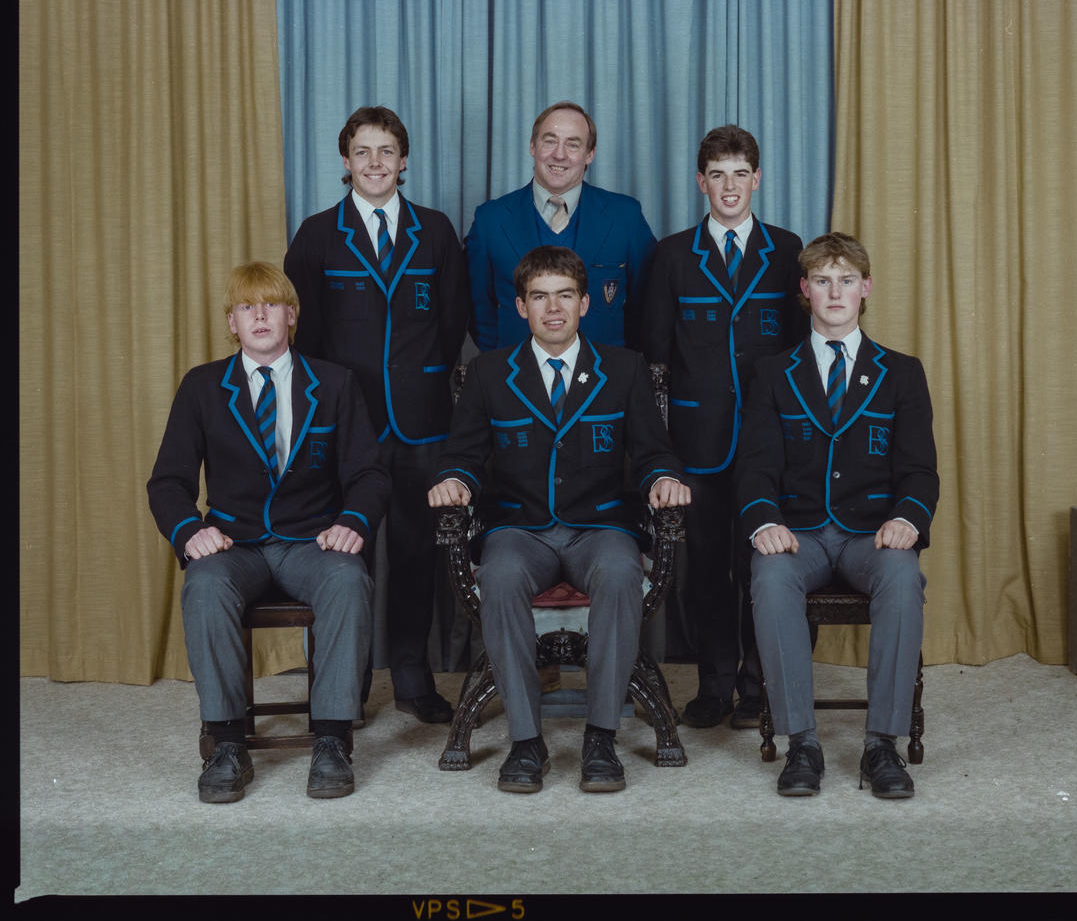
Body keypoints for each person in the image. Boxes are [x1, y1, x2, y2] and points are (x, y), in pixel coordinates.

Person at [428, 246, 691, 794]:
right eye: (540, 297)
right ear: (521, 306)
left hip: (600, 528)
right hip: (519, 530)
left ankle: (600, 737)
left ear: (585, 303)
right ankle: (526, 741)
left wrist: (663, 478)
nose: (553, 309)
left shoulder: (623, 368)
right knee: (498, 578)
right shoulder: (488, 373)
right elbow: (463, 455)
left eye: (565, 296)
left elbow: (653, 452)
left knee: (621, 574)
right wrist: (455, 480)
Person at [147, 262, 390, 802]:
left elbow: (369, 474)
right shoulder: (202, 387)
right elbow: (167, 482)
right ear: (231, 322)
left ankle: (332, 739)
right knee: (205, 584)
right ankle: (228, 742)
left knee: (349, 579)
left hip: (311, 542)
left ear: (292, 315)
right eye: (246, 307)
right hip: (236, 544)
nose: (260, 315)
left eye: (272, 304)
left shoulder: (334, 382)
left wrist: (352, 522)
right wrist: (191, 532)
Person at [734, 232, 938, 798]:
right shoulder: (774, 373)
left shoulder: (902, 372)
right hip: (797, 533)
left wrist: (908, 519)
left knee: (901, 576)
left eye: (846, 280)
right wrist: (764, 522)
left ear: (865, 288)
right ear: (804, 290)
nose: (835, 292)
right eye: (822, 281)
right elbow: (754, 468)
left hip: (870, 533)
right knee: (770, 578)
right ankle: (802, 743)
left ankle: (882, 745)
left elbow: (920, 471)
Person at [285, 106, 469, 724]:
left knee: (418, 553)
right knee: (345, 555)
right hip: (346, 426)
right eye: (362, 152)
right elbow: (301, 337)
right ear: (345, 161)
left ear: (404, 160)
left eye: (386, 151)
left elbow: (452, 326)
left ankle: (414, 677)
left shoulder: (436, 232)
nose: (375, 164)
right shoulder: (316, 234)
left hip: (422, 423)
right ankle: (348, 681)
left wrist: (416, 380)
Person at [642, 125, 804, 730]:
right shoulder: (672, 255)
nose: (729, 186)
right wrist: (662, 450)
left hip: (772, 446)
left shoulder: (788, 252)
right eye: (718, 174)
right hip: (699, 444)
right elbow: (654, 358)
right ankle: (714, 685)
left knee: (766, 564)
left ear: (756, 179)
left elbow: (803, 352)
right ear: (700, 182)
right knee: (707, 569)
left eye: (741, 173)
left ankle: (760, 684)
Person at [463, 100, 656, 353]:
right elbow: (477, 310)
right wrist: (503, 361)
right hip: (516, 379)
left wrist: (616, 364)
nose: (560, 154)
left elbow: (647, 306)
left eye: (573, 144)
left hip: (605, 379)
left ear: (590, 154)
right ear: (533, 146)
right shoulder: (491, 220)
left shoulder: (626, 217)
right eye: (550, 141)